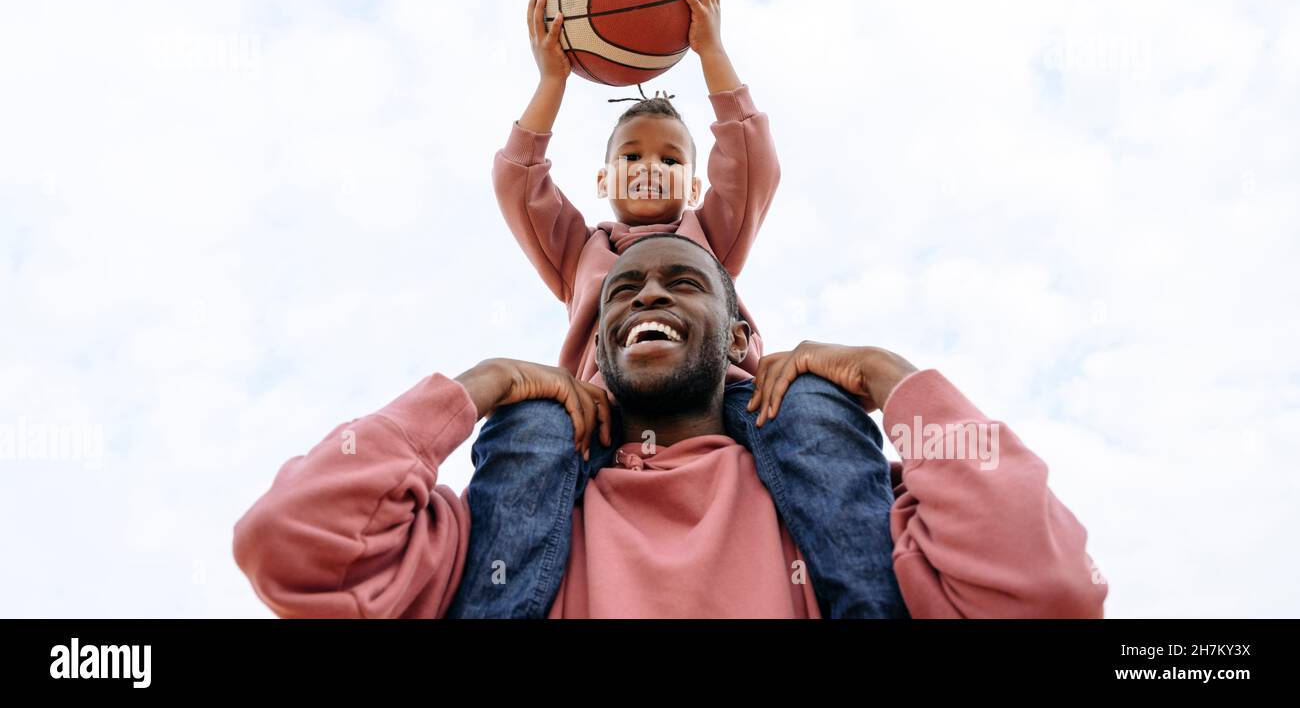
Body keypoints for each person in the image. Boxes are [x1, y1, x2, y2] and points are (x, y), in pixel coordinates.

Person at [232, 234, 1108, 619]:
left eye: (682, 282)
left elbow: (1046, 593)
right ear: (596, 345)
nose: (648, 292)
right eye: (623, 289)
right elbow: (290, 544)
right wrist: (474, 389)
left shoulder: (853, 519)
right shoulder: (498, 533)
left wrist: (896, 380)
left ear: (736, 337)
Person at [459, 0, 902, 617]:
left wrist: (711, 53)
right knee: (534, 436)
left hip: (728, 400)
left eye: (670, 159)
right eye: (631, 157)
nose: (649, 168)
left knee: (811, 415)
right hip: (604, 410)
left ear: (692, 185)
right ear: (605, 181)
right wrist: (552, 80)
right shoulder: (583, 250)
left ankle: (869, 601)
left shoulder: (708, 234)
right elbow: (519, 182)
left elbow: (751, 160)